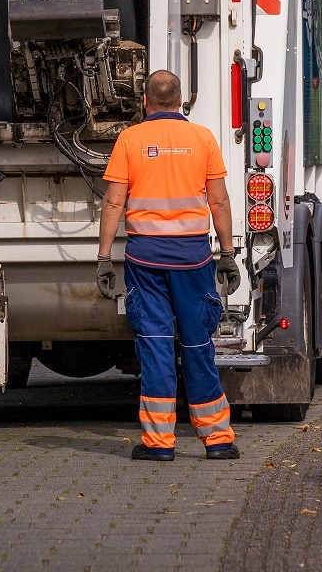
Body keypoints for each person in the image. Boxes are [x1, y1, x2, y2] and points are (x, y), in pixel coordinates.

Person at [95, 70, 242, 460]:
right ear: (180, 101)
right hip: (193, 260)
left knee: (156, 346)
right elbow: (219, 201)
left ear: (145, 101)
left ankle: (159, 444)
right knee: (197, 345)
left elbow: (113, 201)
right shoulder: (202, 138)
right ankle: (218, 440)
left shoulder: (130, 139)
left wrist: (104, 257)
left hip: (145, 261)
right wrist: (227, 253)